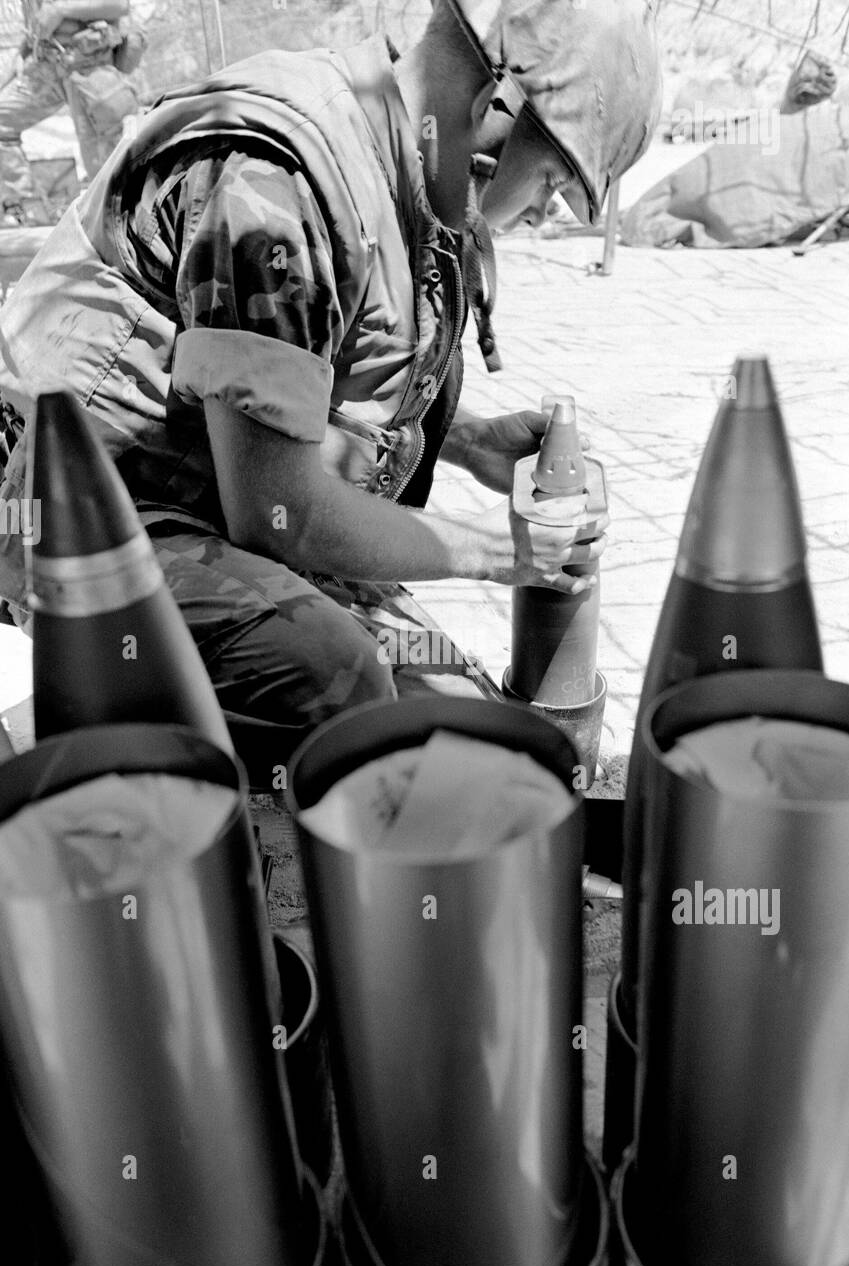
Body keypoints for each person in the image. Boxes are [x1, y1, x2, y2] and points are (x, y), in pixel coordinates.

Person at [0, 0, 661, 786]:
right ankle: (187, 832)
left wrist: (470, 440)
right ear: (496, 110)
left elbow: (309, 369)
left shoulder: (401, 167)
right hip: (74, 513)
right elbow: (278, 510)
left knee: (471, 726)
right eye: (554, 177)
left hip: (205, 493)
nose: (546, 208)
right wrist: (498, 551)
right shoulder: (274, 181)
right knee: (326, 677)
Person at [0, 0, 146, 224]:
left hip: (89, 65)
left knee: (106, 168)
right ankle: (26, 211)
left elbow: (119, 5)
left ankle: (127, 226)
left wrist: (61, 10)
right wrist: (23, 51)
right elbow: (39, 24)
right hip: (46, 67)